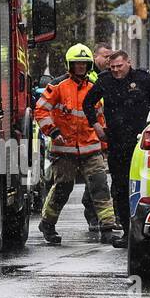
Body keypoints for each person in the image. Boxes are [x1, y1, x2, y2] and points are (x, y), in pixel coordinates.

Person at [35, 44, 118, 245]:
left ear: (89, 65)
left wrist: (105, 145)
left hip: (91, 148)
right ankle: (47, 223)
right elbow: (41, 110)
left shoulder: (93, 87)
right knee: (63, 187)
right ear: (69, 65)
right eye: (76, 64)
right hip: (64, 150)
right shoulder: (57, 86)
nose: (80, 67)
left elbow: (100, 117)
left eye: (83, 64)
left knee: (99, 186)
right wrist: (53, 132)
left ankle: (107, 228)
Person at [82, 50, 150, 246]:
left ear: (129, 63)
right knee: (120, 189)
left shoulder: (142, 79)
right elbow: (87, 103)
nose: (116, 71)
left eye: (119, 66)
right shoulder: (105, 81)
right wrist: (96, 126)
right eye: (112, 68)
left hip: (140, 143)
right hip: (116, 142)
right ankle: (128, 234)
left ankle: (145, 232)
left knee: (140, 187)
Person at [81, 45, 115, 230]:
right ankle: (95, 217)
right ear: (95, 57)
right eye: (105, 56)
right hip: (88, 136)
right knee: (95, 180)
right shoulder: (91, 77)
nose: (109, 60)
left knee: (98, 179)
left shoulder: (108, 77)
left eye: (111, 56)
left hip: (101, 136)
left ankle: (104, 219)